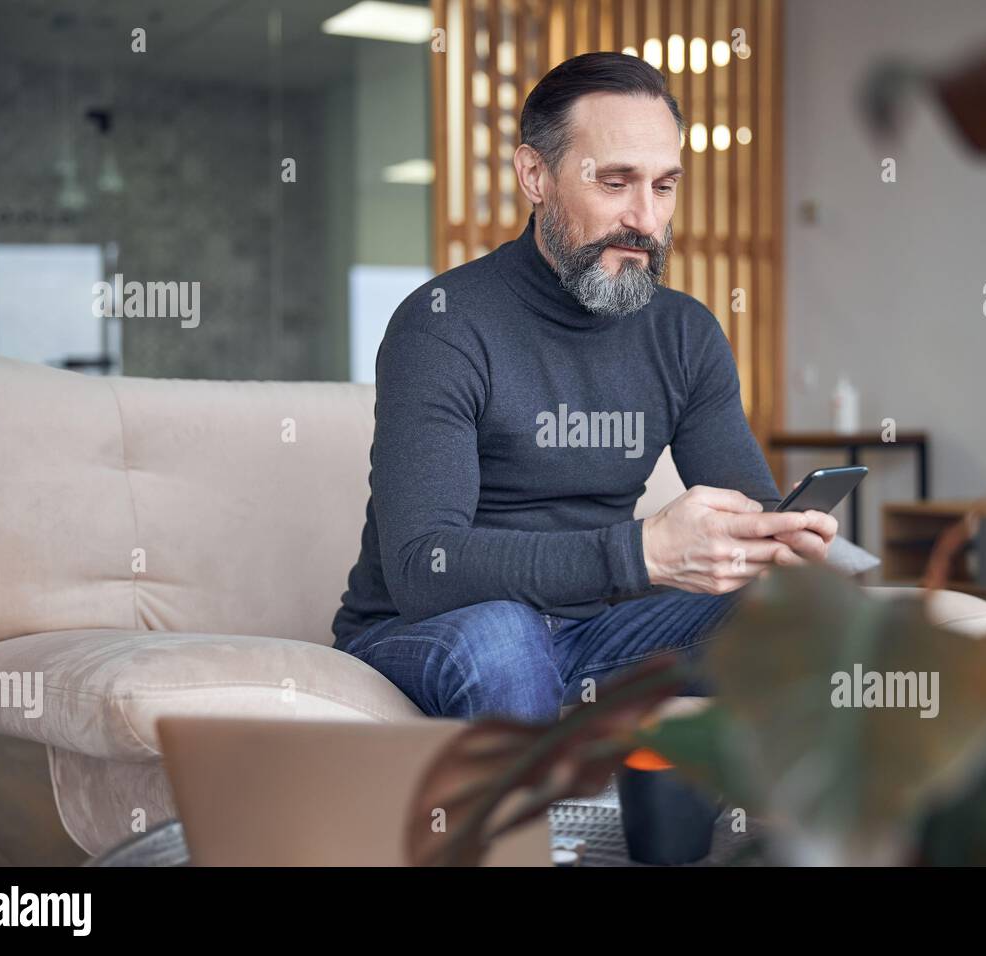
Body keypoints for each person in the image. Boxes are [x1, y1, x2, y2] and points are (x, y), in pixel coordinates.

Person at [331, 52, 839, 723]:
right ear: (535, 174)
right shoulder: (443, 326)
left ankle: (736, 828)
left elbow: (752, 510)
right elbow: (426, 568)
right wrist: (640, 552)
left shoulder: (683, 334)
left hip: (595, 633)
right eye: (616, 183)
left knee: (805, 616)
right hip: (433, 631)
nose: (647, 221)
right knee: (505, 637)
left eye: (663, 187)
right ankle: (536, 833)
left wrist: (780, 540)